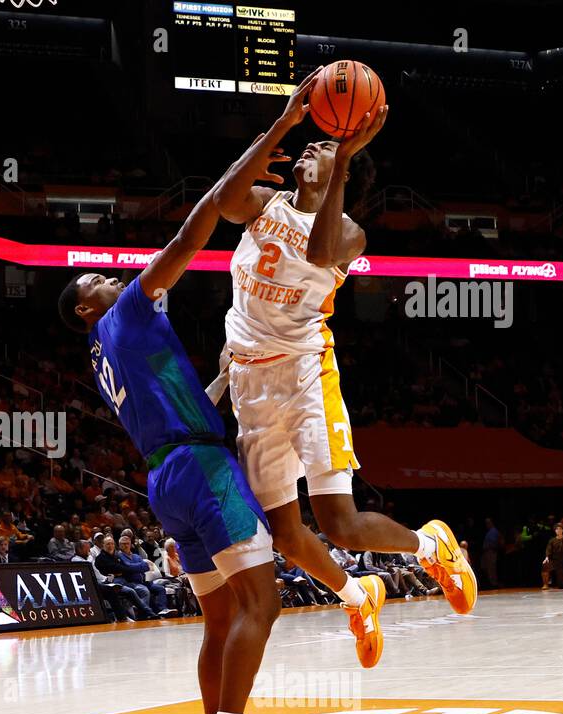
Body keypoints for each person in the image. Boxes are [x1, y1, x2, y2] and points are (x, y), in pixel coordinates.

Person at [204, 72, 476, 664]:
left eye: (324, 147)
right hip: (250, 384)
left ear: (345, 173)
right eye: (315, 143)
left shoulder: (348, 232)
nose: (313, 147)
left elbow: (321, 252)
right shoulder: (263, 205)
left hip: (303, 376)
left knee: (342, 525)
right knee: (286, 535)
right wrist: (282, 123)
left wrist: (346, 151)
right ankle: (358, 597)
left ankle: (430, 546)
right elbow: (222, 200)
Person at [60, 161, 288, 714]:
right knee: (262, 603)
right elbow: (188, 240)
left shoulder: (106, 353)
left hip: (168, 478)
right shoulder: (124, 314)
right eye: (97, 280)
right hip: (201, 470)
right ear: (86, 306)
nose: (111, 278)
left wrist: (216, 379)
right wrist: (223, 193)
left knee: (219, 623)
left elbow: (170, 410)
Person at [543, 524, 563, 589]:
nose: (558, 530)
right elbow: (548, 550)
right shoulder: (552, 540)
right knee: (545, 565)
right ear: (555, 531)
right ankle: (545, 584)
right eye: (557, 529)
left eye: (560, 529)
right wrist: (546, 557)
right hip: (554, 561)